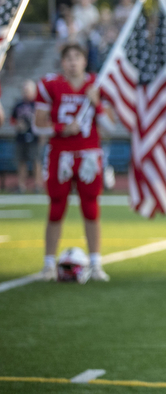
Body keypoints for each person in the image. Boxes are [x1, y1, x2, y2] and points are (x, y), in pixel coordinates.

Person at [34, 43, 111, 282]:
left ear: (85, 61)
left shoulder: (97, 85)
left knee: (91, 208)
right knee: (56, 208)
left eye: (77, 57)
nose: (73, 62)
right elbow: (38, 124)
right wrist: (62, 129)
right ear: (62, 62)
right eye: (68, 58)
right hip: (61, 154)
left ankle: (96, 263)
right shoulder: (50, 85)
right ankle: (48, 263)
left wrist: (96, 102)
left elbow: (110, 126)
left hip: (88, 153)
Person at [14, 81, 42, 193]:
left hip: (35, 138)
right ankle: (21, 186)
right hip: (21, 137)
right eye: (24, 90)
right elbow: (12, 119)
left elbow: (44, 119)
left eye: (28, 90)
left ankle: (38, 186)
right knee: (21, 162)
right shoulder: (18, 105)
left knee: (36, 161)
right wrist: (17, 124)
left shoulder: (37, 104)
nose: (25, 93)